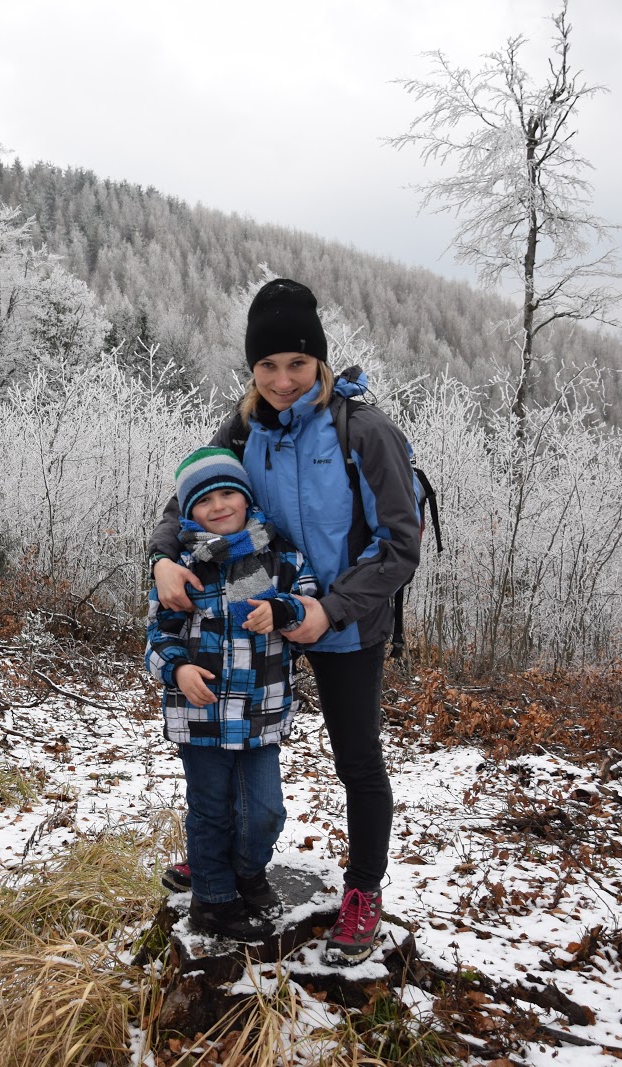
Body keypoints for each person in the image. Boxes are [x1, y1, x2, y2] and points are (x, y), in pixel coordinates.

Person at [148, 277, 421, 964]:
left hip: (348, 622)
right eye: (267, 365)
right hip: (260, 614)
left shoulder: (365, 430)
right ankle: (219, 857)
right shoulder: (246, 427)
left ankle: (363, 889)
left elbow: (400, 542)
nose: (282, 379)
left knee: (356, 758)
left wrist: (329, 608)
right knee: (234, 733)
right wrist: (160, 557)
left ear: (321, 361)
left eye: (297, 363)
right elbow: (188, 490)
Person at [145, 446, 319, 943]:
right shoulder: (181, 565)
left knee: (265, 810)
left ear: (245, 497)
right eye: (205, 501)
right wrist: (177, 672)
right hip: (203, 715)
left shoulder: (278, 554)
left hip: (262, 712)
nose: (219, 506)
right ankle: (214, 900)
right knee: (210, 809)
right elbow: (160, 634)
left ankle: (248, 871)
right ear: (187, 511)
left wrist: (284, 612)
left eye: (228, 494)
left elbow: (309, 603)